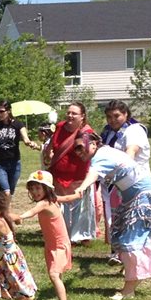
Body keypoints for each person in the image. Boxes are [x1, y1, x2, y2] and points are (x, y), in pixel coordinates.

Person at [63, 134, 151, 300]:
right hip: (134, 197)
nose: (78, 152)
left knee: (130, 241)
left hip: (142, 198)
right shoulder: (106, 152)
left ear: (93, 144)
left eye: (81, 147)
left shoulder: (101, 156)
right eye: (76, 149)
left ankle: (129, 290)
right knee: (123, 238)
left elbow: (93, 175)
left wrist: (80, 189)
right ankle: (134, 277)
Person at [11, 170, 73, 300]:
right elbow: (66, 198)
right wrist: (77, 195)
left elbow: (32, 212)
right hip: (51, 245)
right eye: (32, 189)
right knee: (57, 275)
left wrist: (20, 217)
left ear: (47, 189)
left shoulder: (45, 203)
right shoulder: (53, 199)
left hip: (58, 245)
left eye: (38, 188)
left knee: (54, 275)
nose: (34, 192)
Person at [99, 100, 150, 260]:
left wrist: (122, 166)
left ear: (126, 114)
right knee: (116, 219)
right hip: (116, 185)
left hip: (135, 184)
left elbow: (131, 151)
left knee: (134, 221)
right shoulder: (108, 132)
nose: (112, 120)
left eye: (117, 116)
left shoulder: (134, 130)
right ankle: (118, 252)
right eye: (109, 117)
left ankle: (136, 258)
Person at [43, 102, 97, 244]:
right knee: (61, 207)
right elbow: (52, 144)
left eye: (74, 113)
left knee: (79, 207)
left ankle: (80, 236)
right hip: (59, 175)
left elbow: (89, 153)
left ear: (82, 116)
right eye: (68, 112)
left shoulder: (87, 132)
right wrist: (48, 154)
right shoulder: (60, 127)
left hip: (77, 176)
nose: (70, 116)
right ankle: (63, 235)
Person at [0, 101, 40, 197]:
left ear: (8, 111)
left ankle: (4, 211)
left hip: (14, 164)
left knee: (10, 193)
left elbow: (26, 139)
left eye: (1, 111)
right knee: (6, 192)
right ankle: (4, 211)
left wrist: (30, 143)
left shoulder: (18, 124)